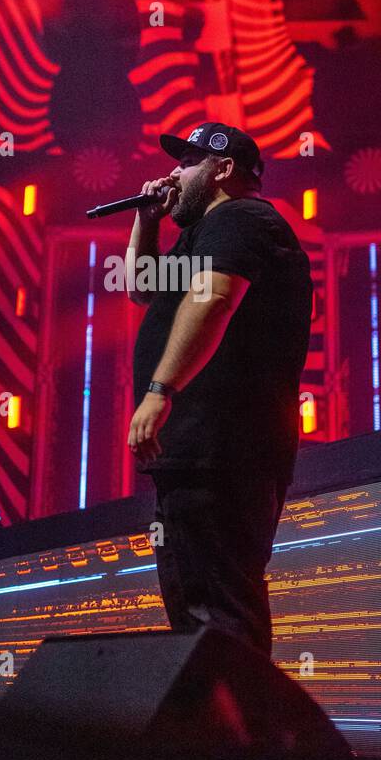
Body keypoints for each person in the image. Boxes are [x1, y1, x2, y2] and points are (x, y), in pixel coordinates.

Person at [126, 123, 312, 657]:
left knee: (220, 615)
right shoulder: (207, 231)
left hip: (223, 447)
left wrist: (161, 389)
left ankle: (245, 735)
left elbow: (212, 299)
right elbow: (141, 287)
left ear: (222, 169)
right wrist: (147, 220)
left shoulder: (241, 219)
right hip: (197, 451)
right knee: (196, 614)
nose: (174, 174)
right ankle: (217, 729)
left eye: (187, 163)